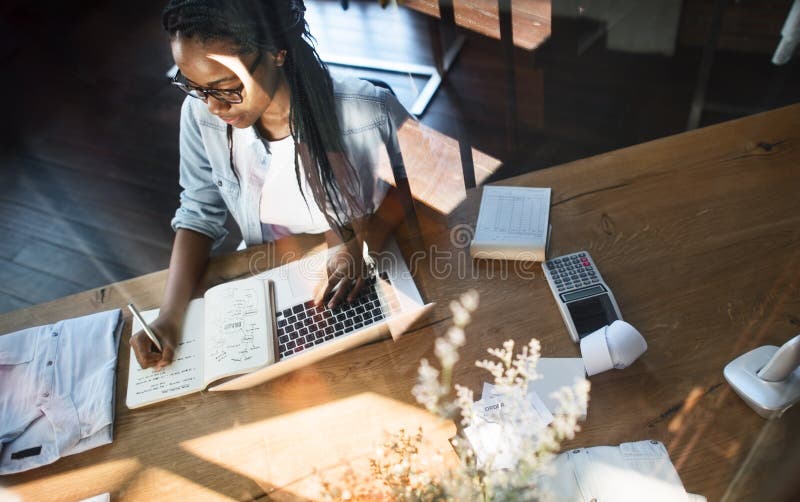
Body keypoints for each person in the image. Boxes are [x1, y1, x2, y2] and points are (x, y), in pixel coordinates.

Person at [131, 0, 413, 370]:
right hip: (268, 272)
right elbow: (198, 214)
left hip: (364, 270)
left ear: (276, 53)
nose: (213, 107)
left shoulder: (366, 109)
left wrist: (362, 245)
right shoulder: (201, 116)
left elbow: (416, 189)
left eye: (227, 88)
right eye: (194, 87)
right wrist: (169, 315)